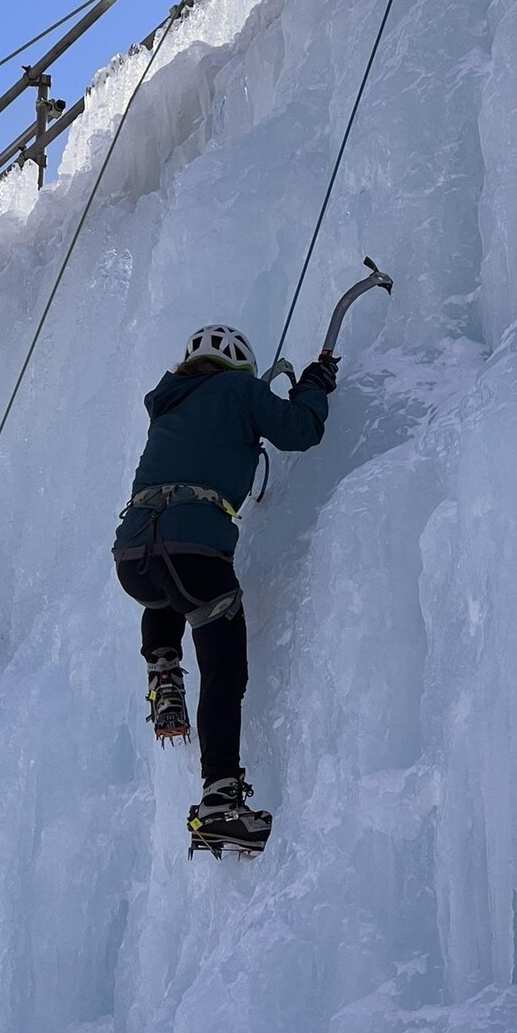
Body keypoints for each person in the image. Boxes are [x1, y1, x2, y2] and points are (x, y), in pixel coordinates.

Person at [113, 323, 337, 856]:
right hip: (195, 546)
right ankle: (220, 802)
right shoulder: (241, 390)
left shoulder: (167, 407)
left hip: (133, 550)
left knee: (162, 591)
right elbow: (300, 430)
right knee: (223, 671)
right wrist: (315, 384)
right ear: (239, 365)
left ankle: (163, 673)